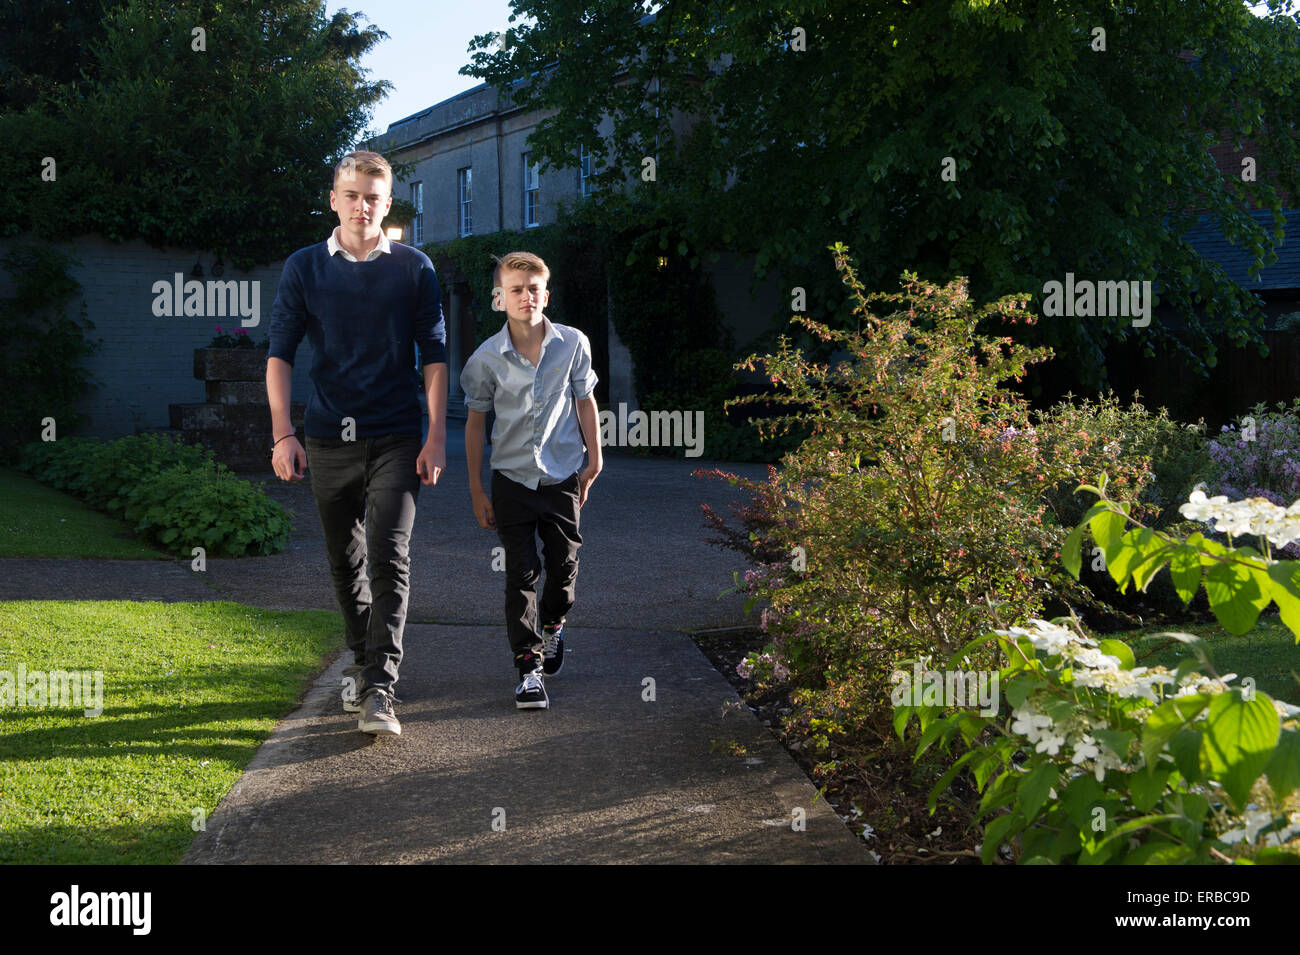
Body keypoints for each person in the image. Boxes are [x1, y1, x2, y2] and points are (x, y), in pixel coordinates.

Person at [266, 149, 447, 737]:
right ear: (334, 199)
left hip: (396, 433)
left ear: (387, 203)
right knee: (346, 564)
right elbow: (279, 355)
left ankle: (379, 689)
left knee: (390, 556)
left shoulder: (415, 268)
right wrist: (283, 433)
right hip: (325, 438)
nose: (362, 205)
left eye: (374, 197)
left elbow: (436, 356)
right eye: (352, 194)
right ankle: (364, 662)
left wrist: (437, 434)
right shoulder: (303, 267)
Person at [461, 251, 602, 709]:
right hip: (511, 481)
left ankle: (555, 624)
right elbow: (476, 423)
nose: (526, 297)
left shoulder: (572, 343)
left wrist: (594, 460)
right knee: (520, 574)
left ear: (547, 292)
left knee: (563, 570)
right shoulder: (485, 357)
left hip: (562, 476)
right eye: (516, 290)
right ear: (499, 298)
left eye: (534, 288)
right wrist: (477, 488)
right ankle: (528, 669)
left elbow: (585, 401)